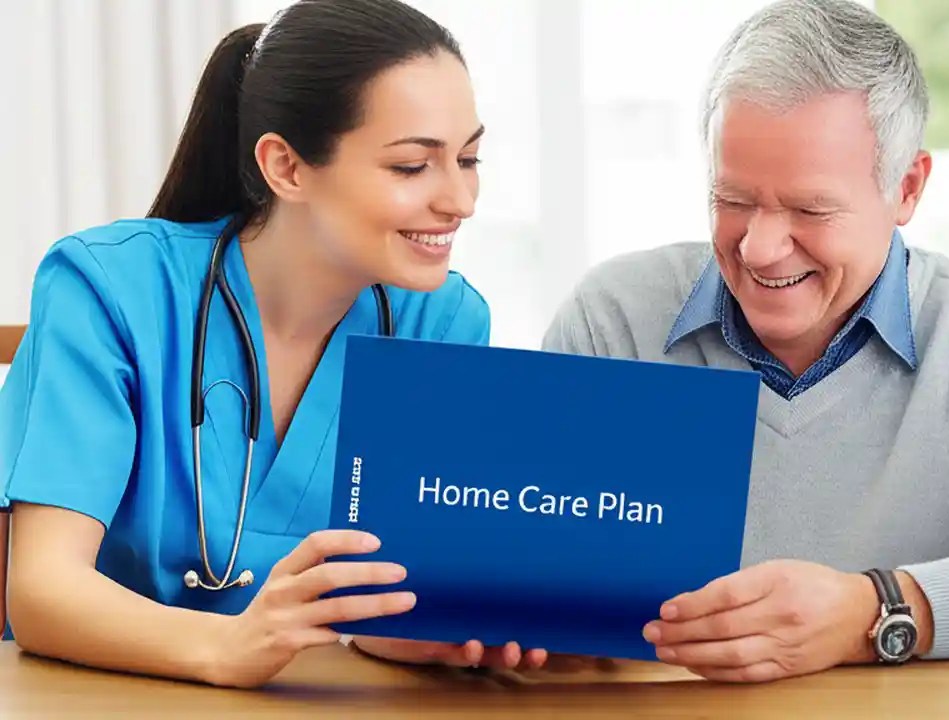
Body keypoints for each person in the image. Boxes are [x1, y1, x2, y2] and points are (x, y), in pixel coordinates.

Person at [542, 0, 949, 683]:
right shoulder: (613, 321)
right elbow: (509, 560)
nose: (760, 247)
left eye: (810, 209)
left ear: (907, 188)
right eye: (733, 200)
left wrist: (879, 610)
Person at [0, 0, 550, 688]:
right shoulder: (109, 288)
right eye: (413, 166)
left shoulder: (442, 321)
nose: (461, 199)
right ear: (286, 167)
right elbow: (43, 592)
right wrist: (226, 647)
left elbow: (398, 586)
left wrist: (401, 633)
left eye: (468, 157)